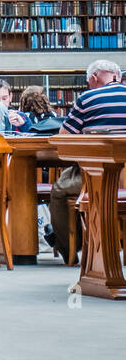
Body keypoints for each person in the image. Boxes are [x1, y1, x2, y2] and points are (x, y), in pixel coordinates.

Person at [50, 60, 126, 262]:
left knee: (59, 190)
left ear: (93, 78)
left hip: (99, 177)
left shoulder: (88, 97)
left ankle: (69, 250)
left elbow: (64, 137)